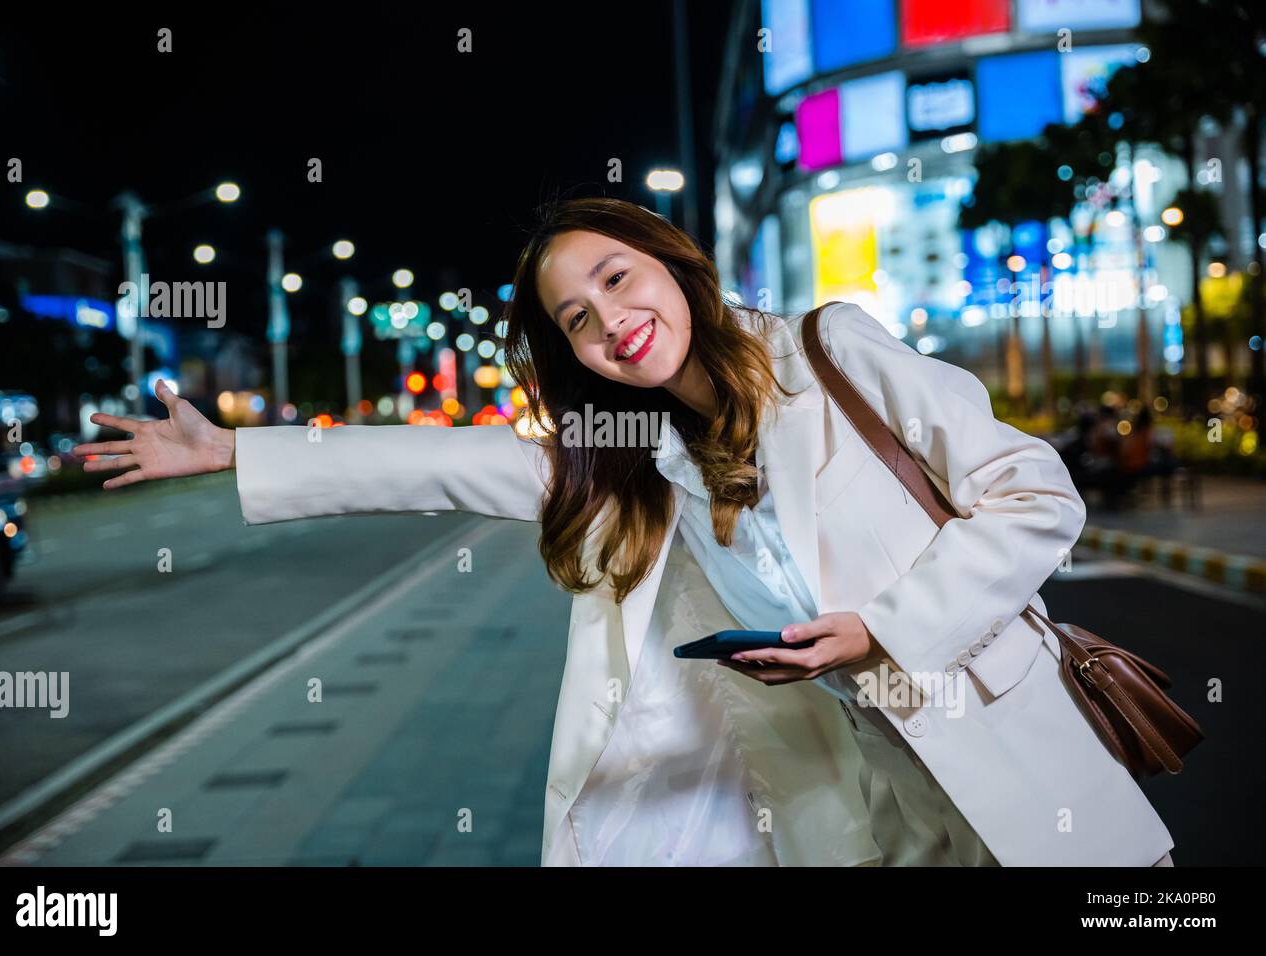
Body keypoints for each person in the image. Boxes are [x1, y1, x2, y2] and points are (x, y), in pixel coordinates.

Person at [74, 197, 1175, 867]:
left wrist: (882, 628)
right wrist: (233, 450)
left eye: (617, 278)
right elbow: (443, 463)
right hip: (876, 796)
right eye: (576, 319)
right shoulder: (630, 461)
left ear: (669, 260)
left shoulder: (827, 353)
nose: (611, 321)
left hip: (1015, 759)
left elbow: (1035, 492)